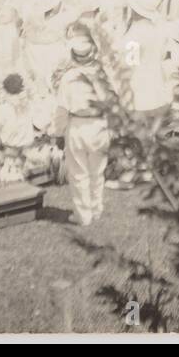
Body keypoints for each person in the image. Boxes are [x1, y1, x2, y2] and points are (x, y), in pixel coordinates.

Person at [57, 33, 111, 225]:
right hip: (99, 124)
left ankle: (84, 215)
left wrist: (58, 132)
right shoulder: (103, 74)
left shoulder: (68, 77)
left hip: (78, 125)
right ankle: (96, 209)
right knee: (98, 170)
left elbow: (62, 109)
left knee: (79, 172)